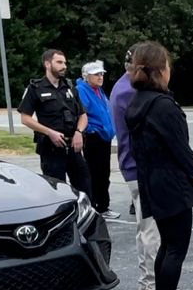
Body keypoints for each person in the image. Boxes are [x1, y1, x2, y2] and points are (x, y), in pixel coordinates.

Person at [126, 42, 193, 290]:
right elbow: (179, 147)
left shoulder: (137, 102)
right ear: (161, 70)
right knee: (176, 247)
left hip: (151, 181)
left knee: (166, 244)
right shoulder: (163, 105)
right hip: (172, 183)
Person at [111, 44, 169, 290]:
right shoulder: (130, 91)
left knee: (144, 227)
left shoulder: (123, 87)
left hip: (133, 165)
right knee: (151, 228)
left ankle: (149, 281)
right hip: (140, 167)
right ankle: (154, 285)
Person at [18, 49, 92, 198]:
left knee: (85, 189)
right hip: (52, 150)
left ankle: (85, 219)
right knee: (57, 193)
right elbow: (25, 118)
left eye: (65, 62)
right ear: (47, 64)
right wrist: (49, 132)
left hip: (73, 147)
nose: (64, 66)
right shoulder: (35, 88)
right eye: (59, 62)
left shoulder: (70, 87)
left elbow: (83, 115)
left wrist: (79, 132)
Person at [77, 60, 119, 219]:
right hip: (94, 137)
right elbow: (82, 113)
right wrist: (91, 129)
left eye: (102, 74)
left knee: (104, 172)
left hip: (104, 137)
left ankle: (103, 206)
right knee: (95, 173)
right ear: (87, 76)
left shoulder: (99, 91)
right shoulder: (82, 90)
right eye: (97, 74)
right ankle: (96, 206)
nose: (101, 77)